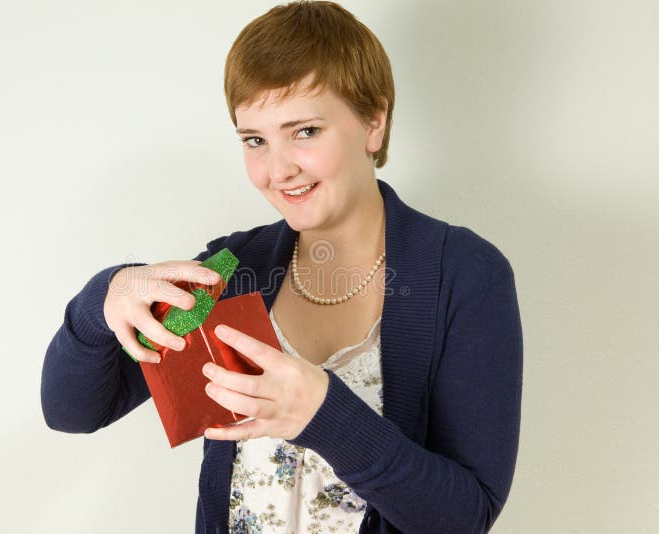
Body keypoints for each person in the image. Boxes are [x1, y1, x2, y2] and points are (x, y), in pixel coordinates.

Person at [40, 1, 523, 533]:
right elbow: (74, 412)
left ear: (373, 122)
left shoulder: (466, 275)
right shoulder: (231, 270)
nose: (278, 169)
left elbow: (465, 516)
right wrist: (104, 297)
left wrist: (324, 415)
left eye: (306, 131)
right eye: (255, 140)